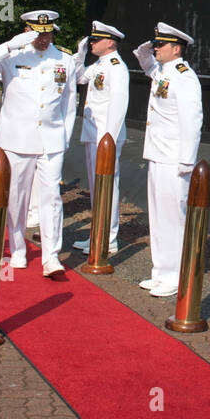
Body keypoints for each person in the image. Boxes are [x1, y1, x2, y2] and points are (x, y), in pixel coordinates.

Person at [0, 10, 79, 277]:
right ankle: (17, 249)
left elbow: (69, 104)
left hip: (51, 141)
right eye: (37, 33)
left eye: (48, 33)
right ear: (27, 31)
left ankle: (51, 256)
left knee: (52, 197)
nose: (43, 39)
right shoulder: (11, 56)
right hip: (16, 139)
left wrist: (63, 138)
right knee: (17, 198)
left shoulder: (64, 59)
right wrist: (10, 44)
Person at [131, 22, 203, 298]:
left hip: (174, 158)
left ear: (176, 49)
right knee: (158, 217)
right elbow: (144, 60)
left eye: (161, 44)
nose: (156, 48)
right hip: (158, 154)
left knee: (174, 217)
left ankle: (176, 274)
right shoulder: (163, 71)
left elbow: (192, 120)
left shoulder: (184, 77)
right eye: (156, 44)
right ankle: (160, 271)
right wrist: (146, 48)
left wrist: (187, 160)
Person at [73, 21, 129, 256]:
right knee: (97, 188)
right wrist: (80, 54)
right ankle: (98, 234)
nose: (92, 42)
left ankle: (109, 239)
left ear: (110, 42)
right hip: (93, 134)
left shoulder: (116, 67)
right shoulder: (98, 64)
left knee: (107, 187)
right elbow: (78, 78)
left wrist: (110, 139)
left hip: (105, 136)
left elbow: (118, 105)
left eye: (96, 40)